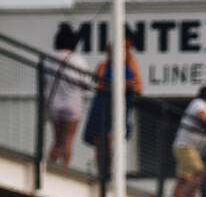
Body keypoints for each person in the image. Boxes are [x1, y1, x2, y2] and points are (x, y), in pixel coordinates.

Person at [83, 28, 142, 181]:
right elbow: (99, 83)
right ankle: (102, 172)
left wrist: (123, 85)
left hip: (119, 105)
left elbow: (137, 87)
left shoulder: (130, 66)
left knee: (112, 138)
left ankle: (110, 172)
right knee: (100, 140)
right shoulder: (104, 66)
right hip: (103, 104)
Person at [45, 25, 90, 166]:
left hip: (54, 103)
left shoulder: (48, 59)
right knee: (68, 141)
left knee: (56, 140)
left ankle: (50, 168)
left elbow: (44, 81)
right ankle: (65, 168)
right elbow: (86, 83)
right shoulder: (78, 60)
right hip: (72, 104)